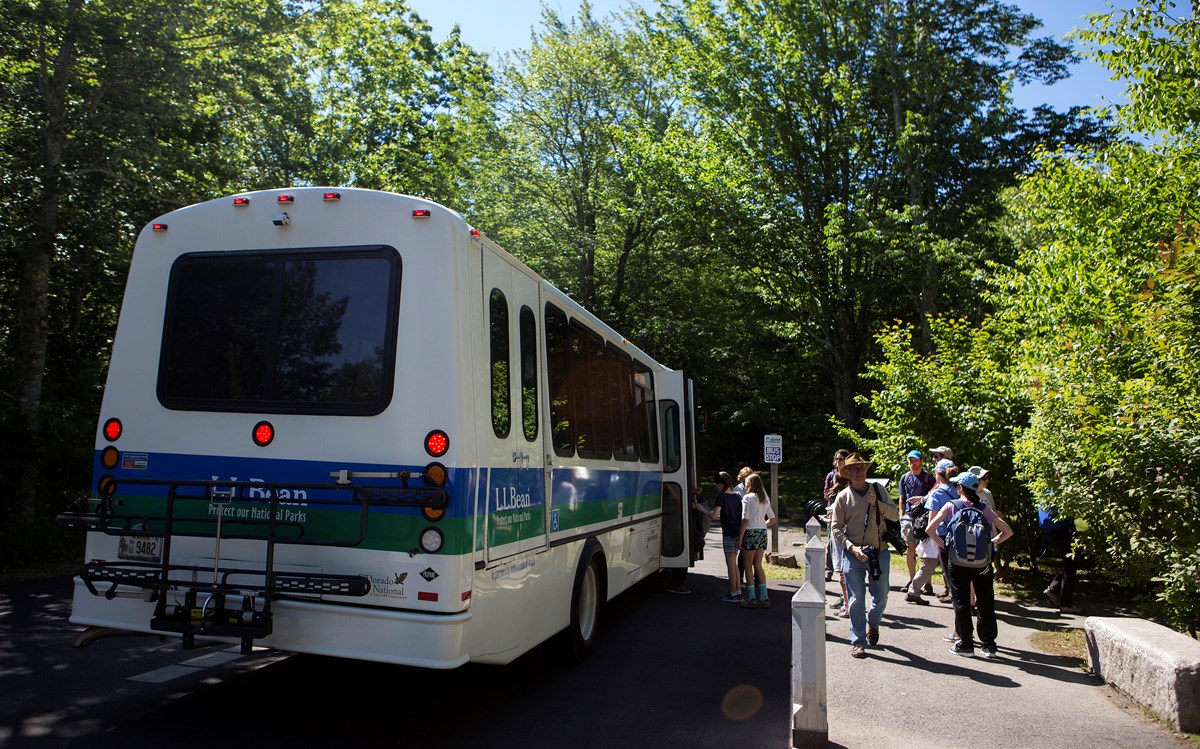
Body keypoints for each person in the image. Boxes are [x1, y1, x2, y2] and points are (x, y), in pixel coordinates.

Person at [926, 471, 1014, 658]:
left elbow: (930, 529)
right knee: (986, 602)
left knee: (962, 602)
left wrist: (945, 545)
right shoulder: (984, 508)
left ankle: (966, 644)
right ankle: (988, 645)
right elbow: (1007, 531)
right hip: (982, 564)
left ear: (959, 488)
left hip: (957, 562)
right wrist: (993, 543)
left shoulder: (952, 506)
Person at [831, 452, 899, 658]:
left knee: (881, 596)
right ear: (848, 473)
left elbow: (895, 515)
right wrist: (852, 548)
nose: (858, 472)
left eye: (861, 468)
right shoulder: (842, 497)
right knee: (856, 599)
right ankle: (858, 641)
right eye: (853, 469)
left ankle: (873, 622)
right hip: (854, 554)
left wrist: (878, 505)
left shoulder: (878, 491)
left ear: (866, 471)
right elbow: (836, 528)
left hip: (879, 552)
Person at [909, 459, 957, 603]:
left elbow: (932, 520)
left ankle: (913, 590)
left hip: (937, 534)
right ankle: (955, 595)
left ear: (938, 473)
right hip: (953, 534)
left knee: (929, 565)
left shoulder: (937, 493)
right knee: (951, 566)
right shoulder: (957, 491)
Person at [897, 449, 936, 594]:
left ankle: (926, 582)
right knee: (910, 548)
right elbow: (902, 497)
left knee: (924, 550)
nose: (912, 463)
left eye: (915, 460)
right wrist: (901, 514)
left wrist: (920, 499)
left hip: (923, 517)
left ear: (921, 461)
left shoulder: (928, 478)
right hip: (908, 517)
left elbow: (932, 496)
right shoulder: (905, 478)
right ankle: (912, 579)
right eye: (910, 461)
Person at [738, 472, 776, 609]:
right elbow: (772, 518)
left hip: (750, 532)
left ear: (750, 485)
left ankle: (751, 596)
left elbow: (745, 519)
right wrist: (761, 525)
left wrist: (740, 537)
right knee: (758, 565)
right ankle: (764, 597)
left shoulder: (748, 498)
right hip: (762, 532)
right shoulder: (764, 498)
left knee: (747, 566)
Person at [823, 450, 851, 614]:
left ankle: (847, 602)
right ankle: (845, 600)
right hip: (833, 518)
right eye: (837, 459)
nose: (839, 461)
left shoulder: (848, 482)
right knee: (832, 550)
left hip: (844, 527)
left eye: (842, 459)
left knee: (844, 567)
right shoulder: (831, 476)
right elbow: (826, 492)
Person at [711, 472, 746, 603]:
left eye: (717, 485)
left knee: (730, 564)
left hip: (728, 533)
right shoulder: (737, 496)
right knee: (734, 563)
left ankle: (732, 593)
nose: (716, 487)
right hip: (737, 532)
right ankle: (738, 591)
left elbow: (714, 516)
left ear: (721, 484)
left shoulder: (721, 496)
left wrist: (700, 508)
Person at [1039, 500, 1079, 613]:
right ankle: (1066, 603)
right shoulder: (1061, 487)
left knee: (1069, 563)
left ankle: (1053, 589)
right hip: (1062, 528)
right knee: (1070, 564)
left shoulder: (1047, 489)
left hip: (1051, 529)